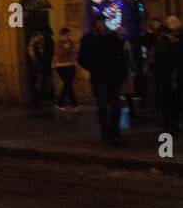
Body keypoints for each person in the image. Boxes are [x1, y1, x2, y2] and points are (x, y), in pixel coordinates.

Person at [78, 17, 129, 145]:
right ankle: (105, 131)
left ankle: (115, 131)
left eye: (102, 22)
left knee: (115, 105)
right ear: (94, 24)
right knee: (102, 105)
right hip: (99, 77)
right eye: (98, 22)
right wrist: (93, 67)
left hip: (113, 76)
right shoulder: (88, 39)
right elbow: (82, 58)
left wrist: (122, 73)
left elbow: (121, 56)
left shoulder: (112, 36)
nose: (101, 25)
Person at [26, 26, 55, 107]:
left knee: (38, 82)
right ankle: (45, 97)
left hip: (37, 65)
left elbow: (31, 52)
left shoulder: (34, 39)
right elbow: (45, 51)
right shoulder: (45, 38)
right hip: (43, 64)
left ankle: (37, 99)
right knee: (44, 81)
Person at [53, 26, 78, 109]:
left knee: (69, 84)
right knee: (68, 84)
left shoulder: (70, 42)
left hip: (71, 65)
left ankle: (74, 104)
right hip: (61, 66)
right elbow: (58, 54)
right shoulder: (58, 43)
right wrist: (66, 49)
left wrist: (73, 52)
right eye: (66, 35)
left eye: (69, 35)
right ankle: (60, 103)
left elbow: (74, 51)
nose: (68, 36)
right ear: (62, 35)